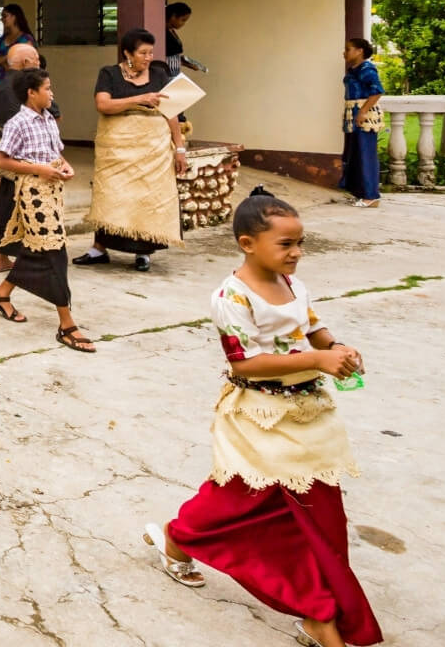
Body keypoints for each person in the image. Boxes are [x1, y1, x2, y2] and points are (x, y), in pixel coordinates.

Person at [141, 188, 380, 647]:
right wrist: (314, 360)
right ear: (247, 243)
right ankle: (178, 536)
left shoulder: (292, 284)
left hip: (307, 414)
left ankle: (321, 612)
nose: (297, 254)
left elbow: (311, 324)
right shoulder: (231, 297)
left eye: (300, 243)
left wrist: (335, 348)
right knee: (235, 500)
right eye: (286, 244)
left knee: (320, 511)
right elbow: (244, 364)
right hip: (258, 415)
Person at [0, 69, 92, 352]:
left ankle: (1, 294)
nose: (52, 93)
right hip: (31, 194)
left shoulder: (48, 119)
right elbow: (0, 160)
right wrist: (37, 169)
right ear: (31, 93)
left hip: (53, 192)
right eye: (47, 88)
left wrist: (64, 165)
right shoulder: (17, 123)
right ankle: (67, 324)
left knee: (37, 249)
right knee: (54, 252)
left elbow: (54, 152)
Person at [76, 29, 186, 272]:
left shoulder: (159, 74)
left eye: (151, 52)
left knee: (147, 197)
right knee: (110, 194)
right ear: (127, 53)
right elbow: (103, 104)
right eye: (142, 53)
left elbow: (172, 112)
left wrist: (179, 148)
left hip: (153, 149)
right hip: (117, 148)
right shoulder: (110, 74)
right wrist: (139, 99)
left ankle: (143, 252)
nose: (148, 57)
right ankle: (99, 248)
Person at [0, 41, 58, 273]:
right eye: (37, 59)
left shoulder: (4, 86)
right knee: (20, 206)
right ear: (27, 63)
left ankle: (3, 258)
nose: (40, 62)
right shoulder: (22, 87)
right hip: (24, 157)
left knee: (7, 204)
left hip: (17, 153)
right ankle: (29, 257)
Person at [341, 39, 384, 209]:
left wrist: (363, 111)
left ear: (359, 51)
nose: (344, 53)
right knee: (355, 153)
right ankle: (361, 191)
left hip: (362, 114)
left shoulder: (366, 69)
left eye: (348, 49)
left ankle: (370, 195)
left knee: (365, 153)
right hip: (354, 112)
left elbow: (377, 91)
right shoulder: (354, 69)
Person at [0, 3, 36, 95]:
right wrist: (9, 56)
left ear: (14, 17)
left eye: (5, 16)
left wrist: (1, 59)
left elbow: (25, 64)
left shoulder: (26, 39)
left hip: (16, 87)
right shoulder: (2, 39)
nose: (2, 19)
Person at [164, 2, 205, 77]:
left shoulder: (172, 31)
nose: (183, 24)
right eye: (183, 20)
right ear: (173, 17)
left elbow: (172, 57)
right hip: (166, 75)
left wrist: (186, 63)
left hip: (174, 74)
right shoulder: (162, 33)